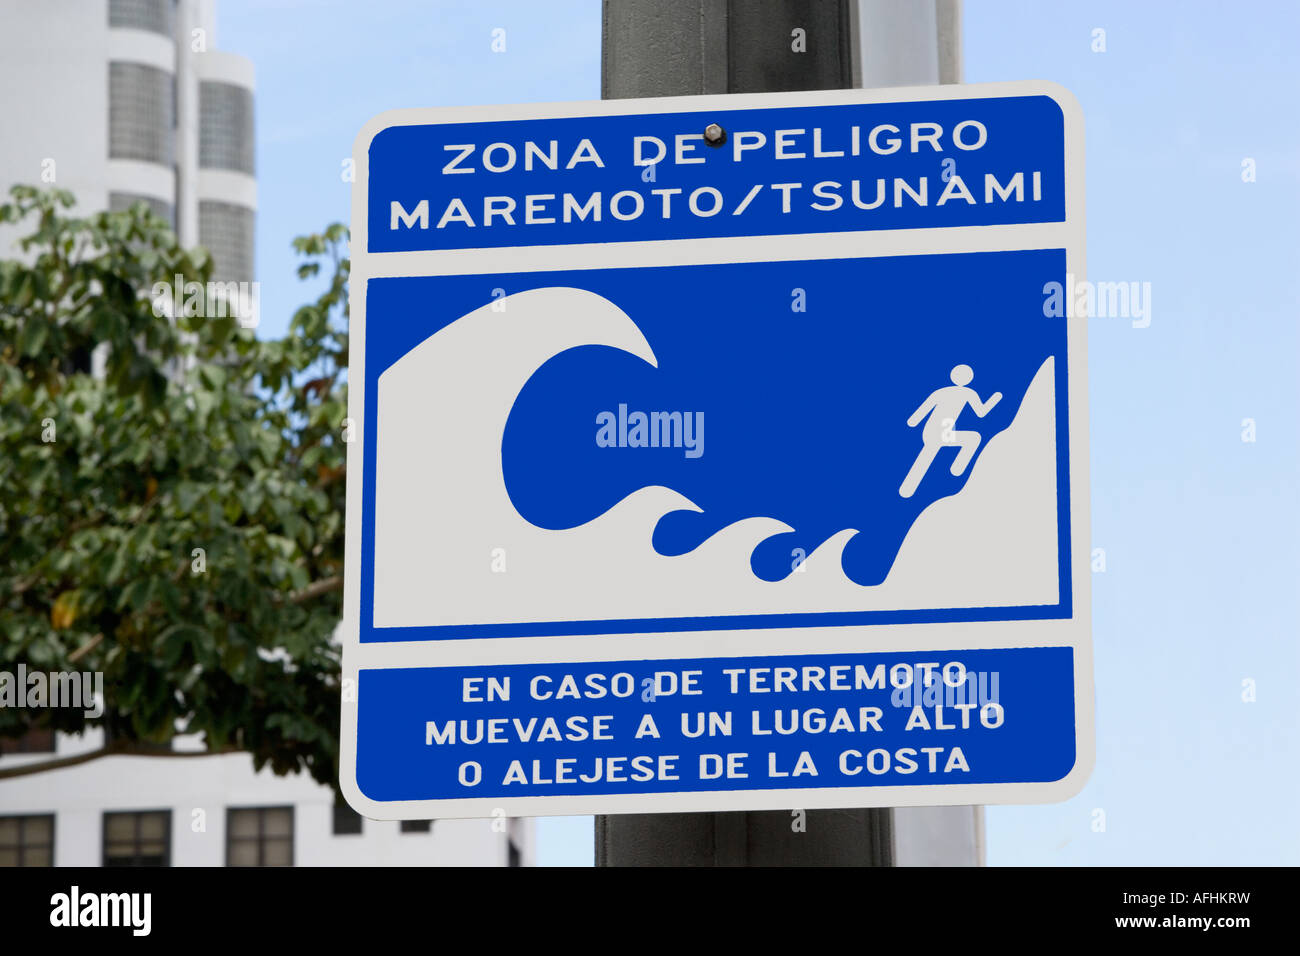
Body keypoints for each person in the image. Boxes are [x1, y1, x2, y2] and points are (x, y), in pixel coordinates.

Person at [898, 364, 1002, 498]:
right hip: (944, 433)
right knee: (973, 438)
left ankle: (907, 490)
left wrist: (913, 422)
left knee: (926, 456)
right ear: (969, 378)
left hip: (931, 432)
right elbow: (981, 413)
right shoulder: (968, 393)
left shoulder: (941, 392)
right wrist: (995, 398)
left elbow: (917, 416)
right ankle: (957, 469)